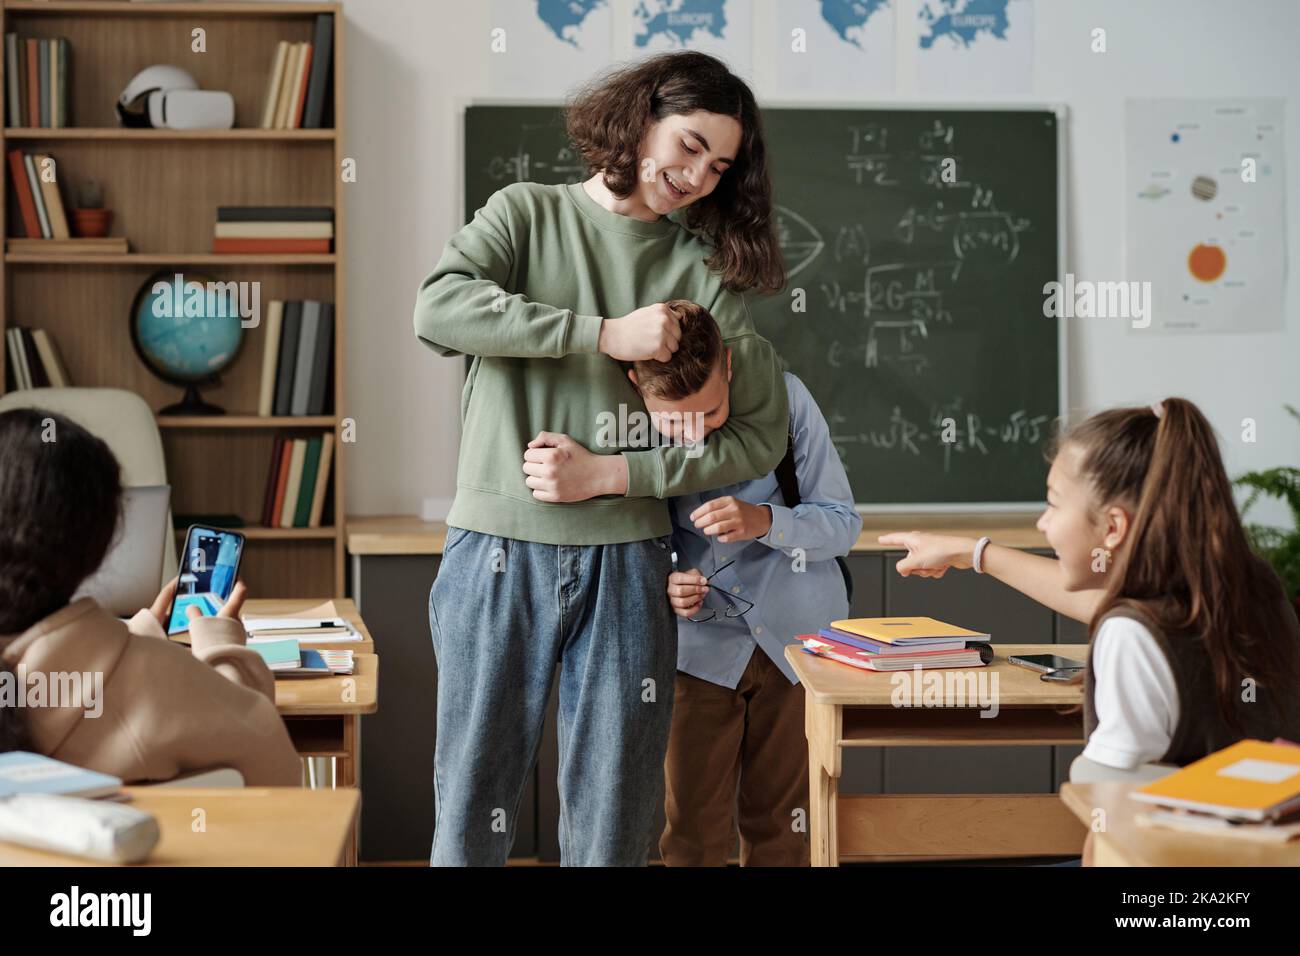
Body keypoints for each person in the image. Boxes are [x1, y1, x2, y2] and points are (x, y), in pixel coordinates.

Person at [413, 52, 789, 865]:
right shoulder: (524, 215)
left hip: (631, 562)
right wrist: (601, 334)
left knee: (616, 819)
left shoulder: (704, 270)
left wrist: (617, 476)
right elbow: (438, 308)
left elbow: (758, 435)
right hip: (496, 554)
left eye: (719, 166)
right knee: (474, 803)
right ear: (640, 118)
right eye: (688, 146)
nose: (697, 176)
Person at [879, 398, 1300, 784]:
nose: (1042, 523)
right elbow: (1130, 615)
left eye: (1053, 504)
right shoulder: (1251, 591)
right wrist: (971, 553)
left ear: (1113, 527)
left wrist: (1085, 772)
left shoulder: (1130, 632)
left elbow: (1109, 796)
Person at [614, 299, 860, 865]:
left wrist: (767, 522)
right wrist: (668, 583)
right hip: (698, 653)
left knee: (783, 829)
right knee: (692, 834)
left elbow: (843, 524)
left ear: (728, 364)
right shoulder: (627, 425)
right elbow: (633, 542)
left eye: (712, 412)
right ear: (637, 385)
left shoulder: (790, 398)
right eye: (677, 421)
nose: (697, 436)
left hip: (800, 646)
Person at [0, 408, 300, 786]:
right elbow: (274, 770)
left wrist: (134, 638)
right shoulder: (161, 685)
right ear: (101, 540)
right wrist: (220, 647)